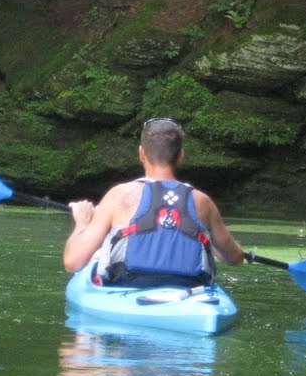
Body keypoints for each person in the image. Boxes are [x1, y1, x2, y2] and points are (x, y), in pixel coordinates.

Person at [64, 117, 245, 281]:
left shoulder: (119, 196)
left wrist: (82, 223)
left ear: (141, 153)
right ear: (181, 156)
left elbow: (73, 262)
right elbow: (235, 257)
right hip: (189, 294)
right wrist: (210, 243)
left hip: (127, 289)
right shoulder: (203, 202)